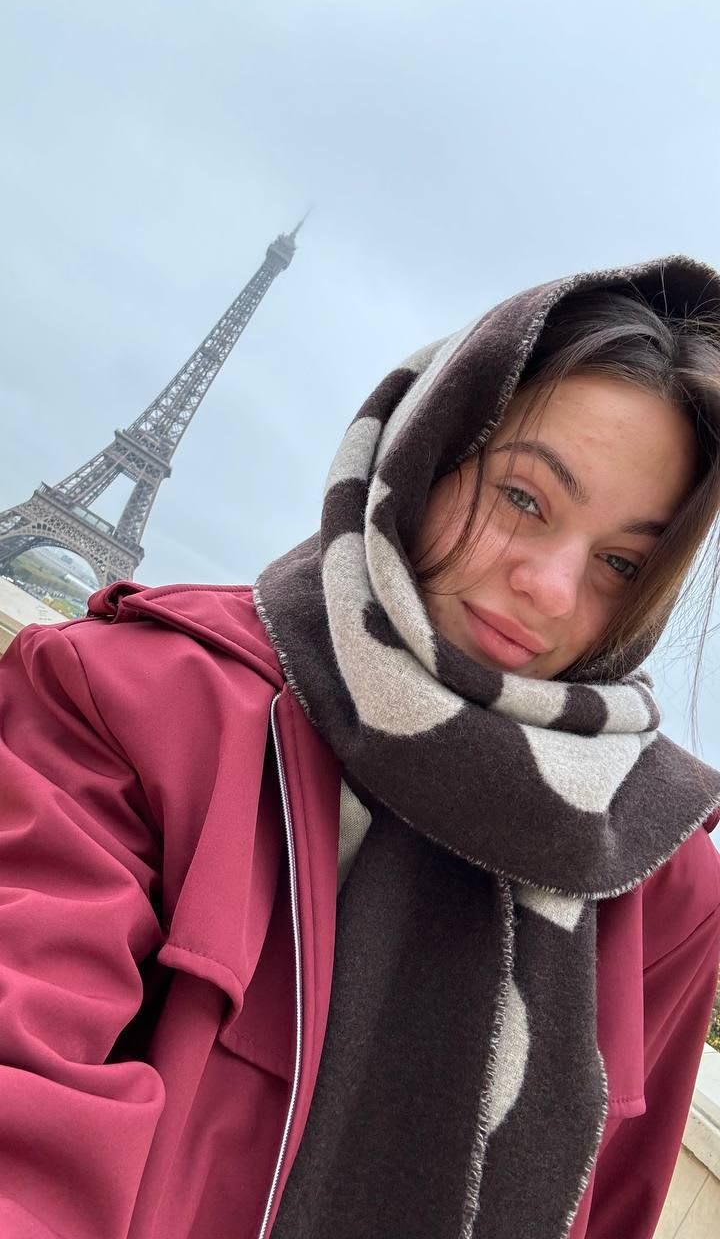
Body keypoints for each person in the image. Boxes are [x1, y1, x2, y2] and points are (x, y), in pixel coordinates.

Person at [1, 255, 720, 1239]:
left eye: (622, 562)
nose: (553, 589)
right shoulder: (139, 700)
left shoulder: (661, 881)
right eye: (523, 498)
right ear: (428, 450)